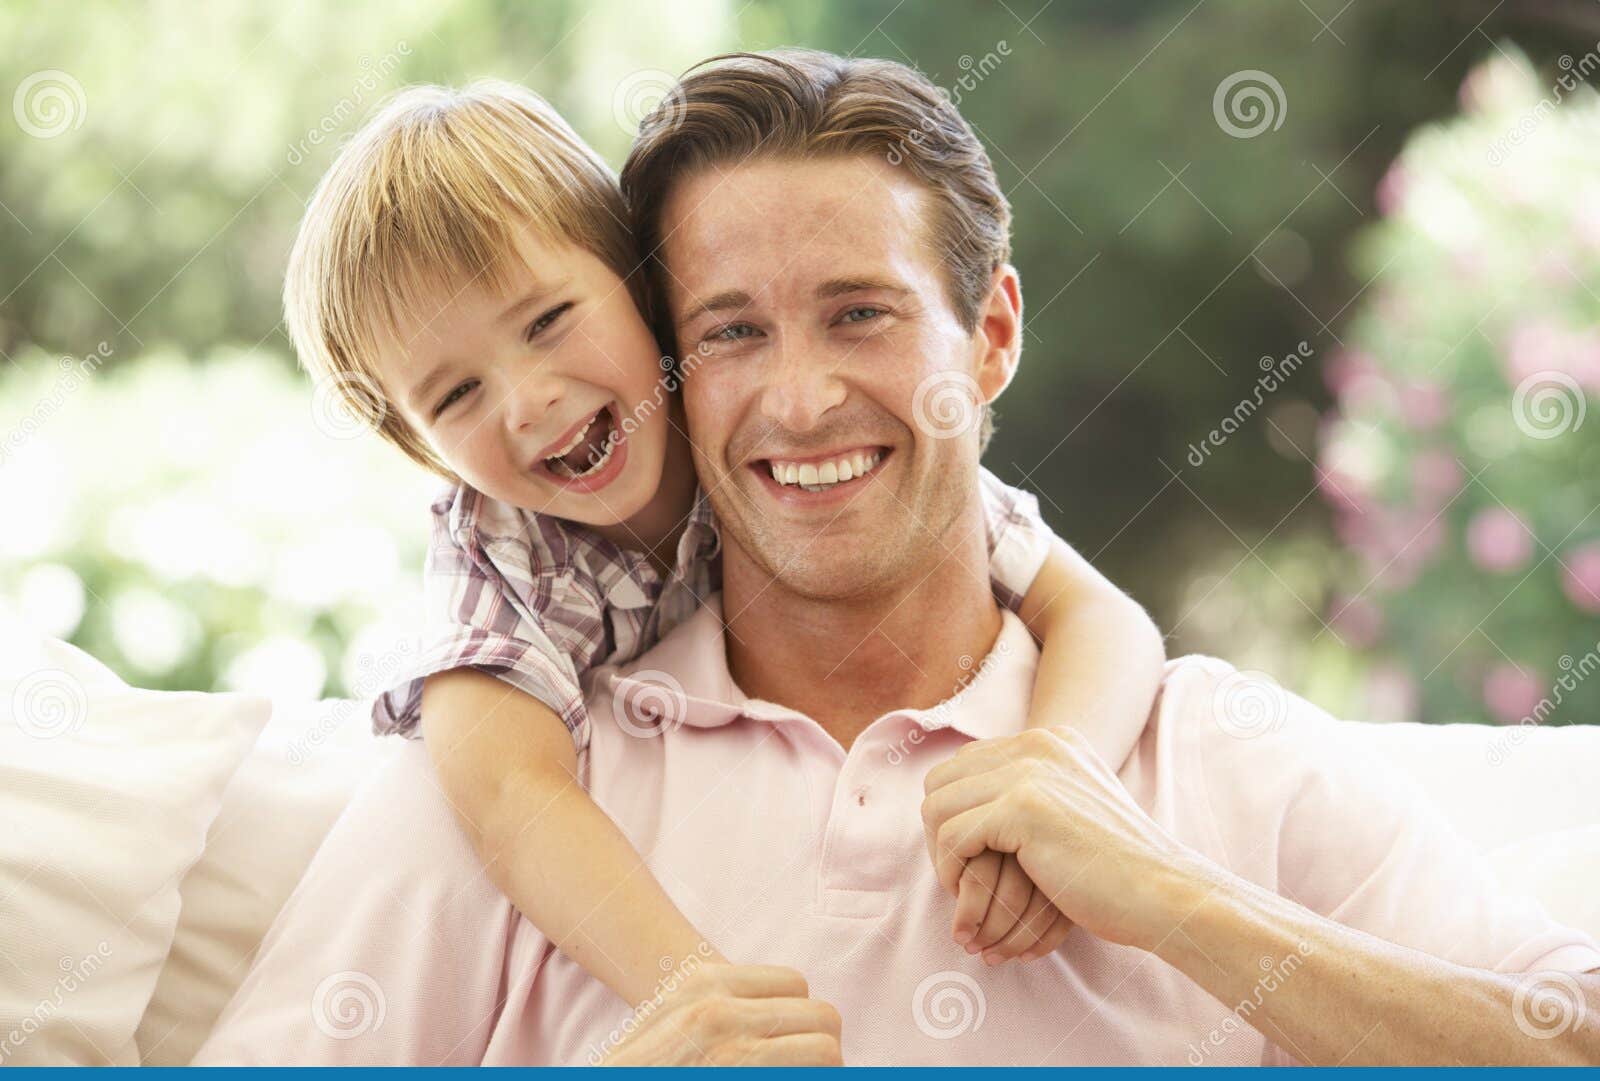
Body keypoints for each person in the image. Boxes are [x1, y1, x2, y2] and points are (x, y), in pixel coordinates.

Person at [200, 50, 1599, 1066]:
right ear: (680, 358)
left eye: (859, 313)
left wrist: (1178, 901)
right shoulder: (501, 780)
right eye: (736, 329)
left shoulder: (1218, 754)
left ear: (989, 336)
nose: (800, 400)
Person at [278, 77, 1166, 1014]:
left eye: (547, 323)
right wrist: (689, 988)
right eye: (456, 396)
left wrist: (1058, 772)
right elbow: (506, 791)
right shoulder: (504, 552)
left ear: (643, 294)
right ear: (422, 447)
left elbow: (1096, 610)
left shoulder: (778, 442)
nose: (528, 399)